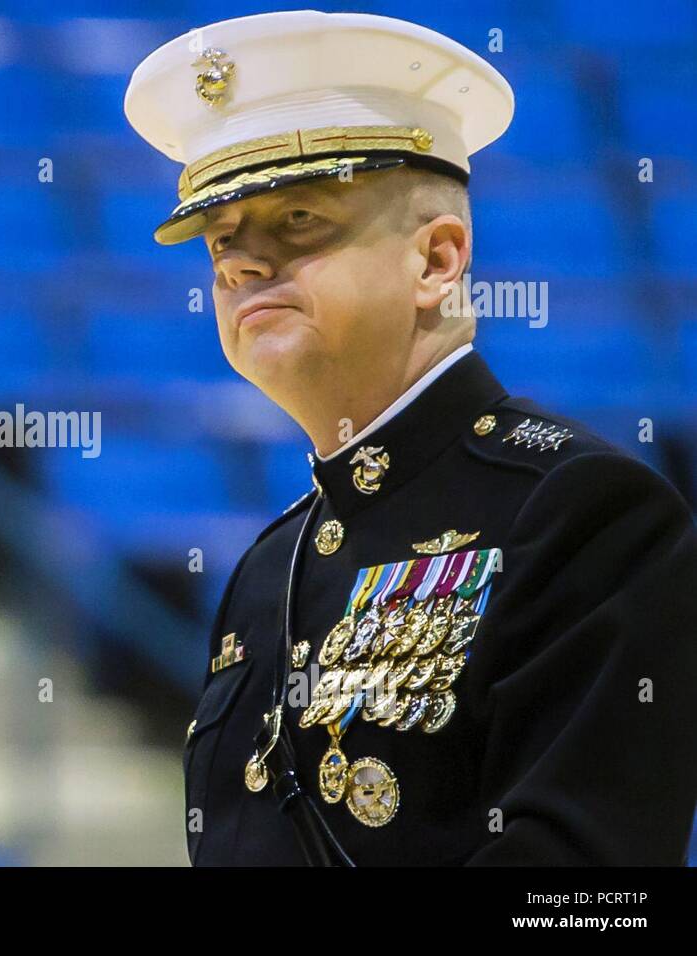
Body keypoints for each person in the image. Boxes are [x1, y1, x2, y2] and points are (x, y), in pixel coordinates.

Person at [125, 9, 697, 865]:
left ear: (437, 261)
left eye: (299, 221)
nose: (241, 265)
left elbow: (586, 901)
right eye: (221, 241)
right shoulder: (266, 570)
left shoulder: (581, 512)